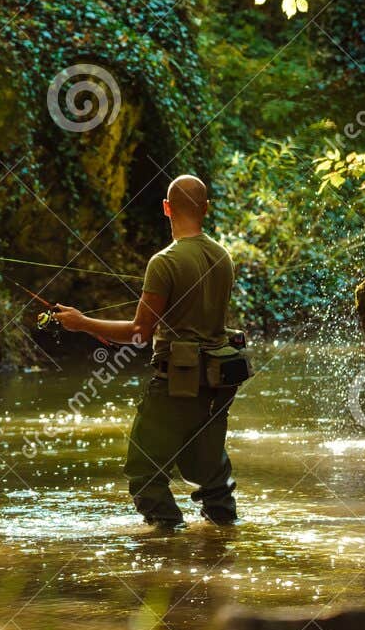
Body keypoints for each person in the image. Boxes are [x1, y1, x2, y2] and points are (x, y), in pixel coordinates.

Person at [52, 174, 240, 532]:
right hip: (218, 381)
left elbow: (140, 333)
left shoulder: (164, 262)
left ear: (167, 208)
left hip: (177, 383)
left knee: (144, 471)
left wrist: (82, 323)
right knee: (209, 471)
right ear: (206, 209)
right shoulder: (222, 256)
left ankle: (169, 540)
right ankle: (223, 539)